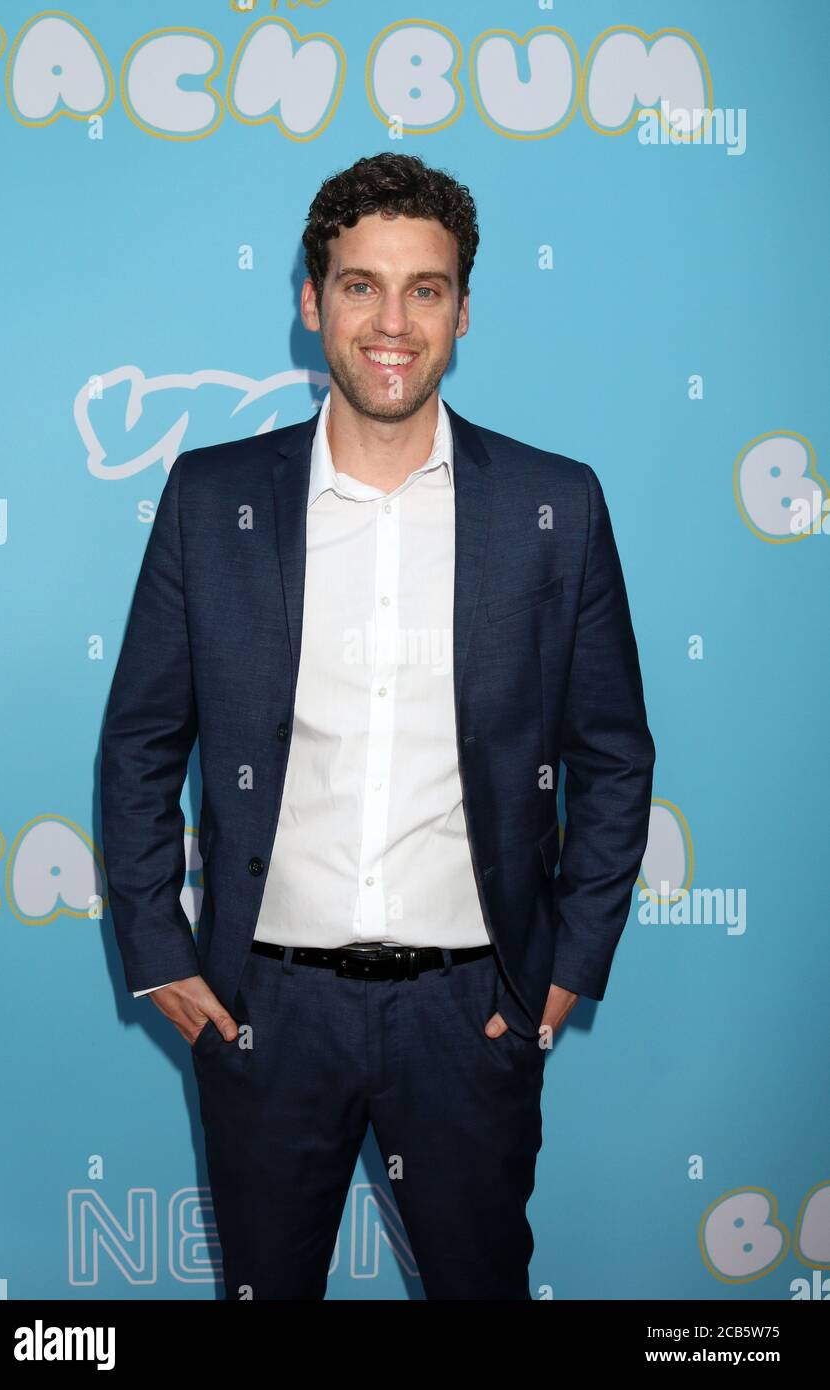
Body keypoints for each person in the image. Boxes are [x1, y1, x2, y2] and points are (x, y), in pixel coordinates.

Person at [100, 152, 655, 1301]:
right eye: (359, 286)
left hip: (473, 1015)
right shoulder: (212, 502)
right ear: (312, 306)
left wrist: (558, 977)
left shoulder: (554, 507)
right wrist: (159, 951)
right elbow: (141, 741)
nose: (391, 322)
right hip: (265, 1014)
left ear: (461, 310)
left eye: (424, 289)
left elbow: (611, 754)